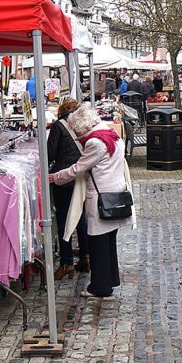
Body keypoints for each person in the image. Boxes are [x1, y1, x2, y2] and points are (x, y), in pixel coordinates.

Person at [49, 104, 133, 299]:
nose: (77, 135)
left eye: (77, 131)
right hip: (115, 194)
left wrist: (55, 177)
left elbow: (78, 168)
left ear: (83, 126)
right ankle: (110, 280)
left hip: (101, 198)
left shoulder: (95, 143)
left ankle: (99, 287)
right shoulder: (111, 134)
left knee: (98, 244)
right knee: (108, 242)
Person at [47, 98, 88, 278]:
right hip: (81, 176)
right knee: (81, 217)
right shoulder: (83, 124)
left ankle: (66, 262)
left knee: (64, 220)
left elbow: (49, 154)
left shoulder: (59, 126)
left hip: (63, 178)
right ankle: (86, 256)